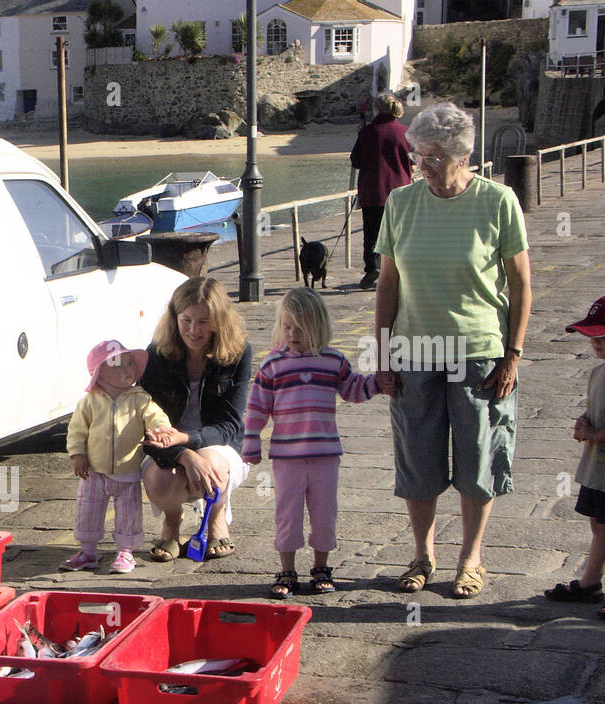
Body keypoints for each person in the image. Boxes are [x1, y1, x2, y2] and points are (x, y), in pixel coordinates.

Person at [373, 101, 531, 600]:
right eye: (420, 156)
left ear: (464, 156)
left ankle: (471, 558)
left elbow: (522, 284)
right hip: (415, 350)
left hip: (480, 350)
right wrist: (382, 355)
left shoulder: (498, 201)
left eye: (436, 158)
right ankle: (422, 555)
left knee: (478, 458)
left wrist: (513, 353)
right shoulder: (400, 203)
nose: (425, 166)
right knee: (417, 462)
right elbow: (387, 287)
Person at [242, 288, 382, 598]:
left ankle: (322, 567)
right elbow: (257, 408)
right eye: (287, 326)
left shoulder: (333, 360)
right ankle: (287, 569)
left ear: (317, 327)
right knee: (287, 514)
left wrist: (378, 383)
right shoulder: (273, 364)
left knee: (324, 514)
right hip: (286, 458)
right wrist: (250, 442)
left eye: (300, 328)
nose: (292, 334)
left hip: (325, 457)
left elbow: (353, 389)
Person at [139, 276, 253, 563]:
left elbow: (229, 424)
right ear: (174, 318)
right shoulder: (157, 353)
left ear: (219, 321)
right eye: (186, 320)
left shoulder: (238, 353)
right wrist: (185, 454)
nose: (193, 330)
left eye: (203, 321)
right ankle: (171, 523)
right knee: (160, 479)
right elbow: (145, 419)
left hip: (218, 442)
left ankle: (216, 519)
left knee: (212, 465)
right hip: (166, 441)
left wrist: (191, 442)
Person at [63, 339, 171, 574]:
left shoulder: (140, 399)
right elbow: (77, 430)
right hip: (93, 471)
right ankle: (87, 550)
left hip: (127, 469)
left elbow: (156, 416)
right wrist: (78, 454)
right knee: (87, 510)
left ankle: (126, 551)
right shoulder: (89, 402)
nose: (128, 370)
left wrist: (162, 428)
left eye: (130, 364)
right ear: (99, 373)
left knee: (128, 513)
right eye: (118, 366)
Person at [544, 293, 605, 619]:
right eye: (593, 337)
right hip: (600, 467)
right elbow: (594, 410)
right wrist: (583, 423)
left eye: (603, 337)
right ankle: (590, 584)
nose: (595, 343)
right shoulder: (599, 373)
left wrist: (595, 435)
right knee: (600, 524)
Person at [350, 91, 413, 290]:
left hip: (373, 191)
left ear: (377, 109)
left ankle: (373, 267)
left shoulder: (368, 132)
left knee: (372, 234)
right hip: (401, 191)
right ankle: (401, 270)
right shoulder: (405, 132)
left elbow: (356, 161)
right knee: (400, 234)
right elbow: (414, 159)